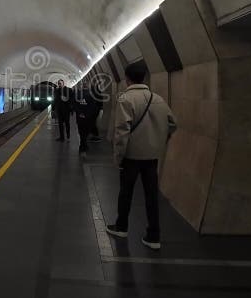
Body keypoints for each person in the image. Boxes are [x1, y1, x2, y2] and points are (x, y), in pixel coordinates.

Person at [106, 63, 177, 250]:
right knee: (151, 195)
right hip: (151, 157)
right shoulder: (158, 99)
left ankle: (121, 227)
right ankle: (154, 236)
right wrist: (158, 140)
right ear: (144, 78)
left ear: (127, 79)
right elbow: (172, 123)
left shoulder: (126, 99)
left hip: (131, 156)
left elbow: (122, 132)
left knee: (126, 193)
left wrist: (118, 157)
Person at [72, 84, 97, 153]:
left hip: (79, 116)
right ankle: (84, 145)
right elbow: (93, 106)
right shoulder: (91, 95)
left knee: (81, 131)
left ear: (82, 87)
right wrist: (87, 114)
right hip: (88, 117)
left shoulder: (77, 94)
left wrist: (80, 113)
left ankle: (82, 145)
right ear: (88, 87)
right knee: (86, 131)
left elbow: (74, 105)